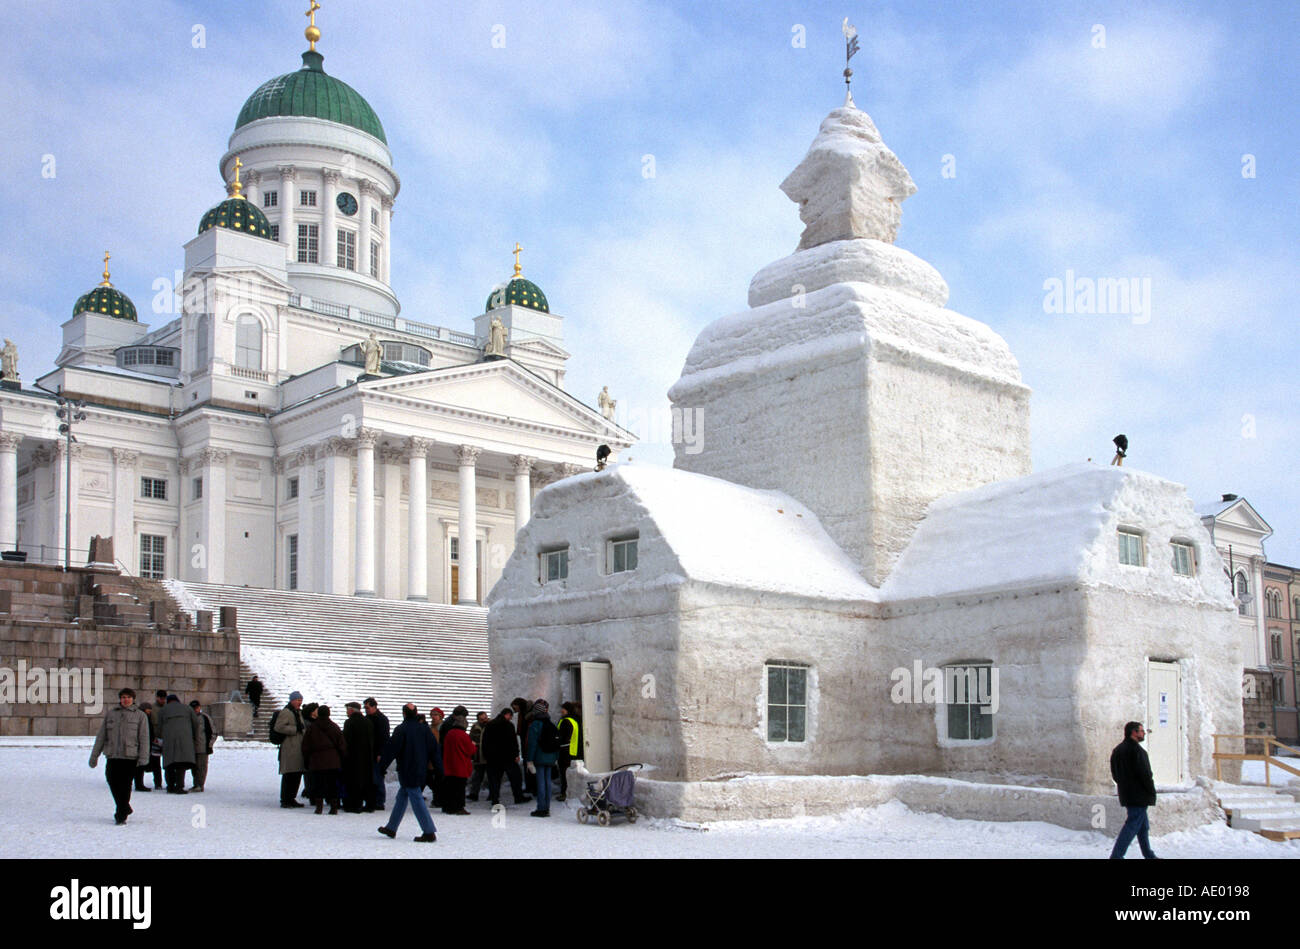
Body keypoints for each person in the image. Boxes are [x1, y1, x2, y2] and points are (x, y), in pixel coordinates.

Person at [378, 703, 441, 842]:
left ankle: (429, 831)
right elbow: (434, 750)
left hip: (407, 769)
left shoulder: (401, 729)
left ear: (404, 714)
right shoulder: (424, 729)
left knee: (416, 798)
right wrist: (439, 768)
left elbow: (391, 750)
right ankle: (391, 827)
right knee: (402, 796)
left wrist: (381, 766)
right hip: (420, 768)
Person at [89, 688, 151, 824]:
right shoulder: (111, 714)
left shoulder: (140, 716)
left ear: (133, 699)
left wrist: (143, 757)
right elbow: (101, 736)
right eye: (123, 697)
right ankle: (125, 806)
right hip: (113, 755)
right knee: (111, 779)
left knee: (125, 785)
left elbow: (144, 738)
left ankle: (121, 814)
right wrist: (94, 756)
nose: (126, 700)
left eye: (128, 697)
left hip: (130, 757)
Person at [1109, 721, 1159, 859]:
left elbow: (1114, 773)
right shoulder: (1138, 751)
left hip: (1126, 793)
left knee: (1143, 827)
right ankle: (1116, 856)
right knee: (1131, 826)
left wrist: (1123, 785)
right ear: (1134, 732)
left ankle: (1148, 854)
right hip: (1140, 795)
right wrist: (1151, 791)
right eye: (1141, 731)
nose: (1143, 733)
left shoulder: (1117, 750)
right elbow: (1146, 774)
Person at [301, 705, 346, 815]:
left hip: (317, 761)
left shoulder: (312, 728)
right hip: (333, 760)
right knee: (332, 784)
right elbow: (341, 744)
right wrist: (342, 758)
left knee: (318, 784)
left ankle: (319, 807)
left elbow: (305, 745)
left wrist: (306, 759)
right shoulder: (334, 727)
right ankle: (334, 807)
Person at [483, 708, 531, 807]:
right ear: (507, 715)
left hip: (493, 758)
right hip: (507, 757)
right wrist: (516, 754)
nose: (511, 718)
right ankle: (518, 797)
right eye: (510, 716)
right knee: (515, 778)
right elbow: (513, 742)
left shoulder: (490, 725)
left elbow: (485, 742)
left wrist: (486, 755)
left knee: (494, 780)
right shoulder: (508, 725)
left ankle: (494, 799)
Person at [160, 694, 202, 794]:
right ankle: (179, 787)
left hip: (169, 740)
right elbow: (196, 723)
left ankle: (170, 786)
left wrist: (162, 737)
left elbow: (158, 726)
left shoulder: (163, 710)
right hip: (185, 740)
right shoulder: (187, 708)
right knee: (181, 764)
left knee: (169, 764)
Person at [273, 691, 307, 808]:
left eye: (300, 700)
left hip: (298, 748)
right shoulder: (286, 712)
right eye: (297, 700)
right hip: (290, 748)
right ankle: (285, 799)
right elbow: (278, 727)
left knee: (296, 774)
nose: (299, 702)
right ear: (291, 700)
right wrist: (295, 729)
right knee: (289, 775)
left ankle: (291, 798)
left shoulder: (298, 712)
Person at [525, 699, 559, 817]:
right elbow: (556, 742)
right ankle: (547, 807)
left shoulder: (535, 724)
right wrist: (555, 757)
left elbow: (532, 743)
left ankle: (541, 808)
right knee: (547, 782)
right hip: (550, 757)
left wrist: (529, 759)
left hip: (540, 756)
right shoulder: (551, 724)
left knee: (540, 783)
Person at [342, 702, 375, 813]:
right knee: (366, 780)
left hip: (353, 757)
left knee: (354, 781)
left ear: (351, 710)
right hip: (367, 756)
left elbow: (346, 740)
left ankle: (355, 805)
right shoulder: (368, 721)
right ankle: (369, 804)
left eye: (347, 709)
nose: (347, 712)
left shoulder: (349, 722)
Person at [440, 714, 476, 815]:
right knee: (459, 789)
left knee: (449, 788)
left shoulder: (449, 733)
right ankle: (459, 807)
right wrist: (473, 745)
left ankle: (448, 807)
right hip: (460, 766)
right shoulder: (464, 735)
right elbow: (470, 750)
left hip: (449, 765)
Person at [365, 698, 390, 812]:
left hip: (377, 753)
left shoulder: (381, 719)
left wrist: (380, 752)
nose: (366, 710)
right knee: (374, 776)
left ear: (374, 707)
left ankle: (379, 801)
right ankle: (375, 799)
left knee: (378, 777)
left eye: (367, 708)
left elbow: (384, 737)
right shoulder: (370, 718)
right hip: (371, 752)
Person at [556, 702, 582, 802]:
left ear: (567, 710)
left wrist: (556, 740)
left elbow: (561, 737)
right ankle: (572, 792)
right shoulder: (575, 720)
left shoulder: (565, 721)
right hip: (574, 750)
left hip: (565, 751)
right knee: (570, 773)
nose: (561, 711)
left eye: (563, 709)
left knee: (564, 774)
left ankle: (564, 793)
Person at [189, 700, 216, 791]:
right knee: (194, 768)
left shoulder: (205, 718)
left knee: (201, 767)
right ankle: (196, 784)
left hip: (202, 747)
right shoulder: (188, 718)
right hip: (192, 747)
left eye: (196, 708)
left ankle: (199, 785)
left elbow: (213, 732)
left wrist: (209, 745)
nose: (195, 710)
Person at [135, 702, 162, 792]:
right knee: (143, 765)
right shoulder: (144, 718)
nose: (150, 711)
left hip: (149, 744)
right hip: (145, 745)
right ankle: (141, 784)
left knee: (145, 765)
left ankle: (141, 784)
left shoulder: (145, 717)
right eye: (148, 710)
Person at [468, 711, 489, 801]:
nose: (484, 720)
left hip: (488, 756)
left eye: (485, 718)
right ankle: (474, 793)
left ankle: (493, 794)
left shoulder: (491, 725)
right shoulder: (475, 727)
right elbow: (470, 738)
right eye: (482, 719)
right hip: (478, 756)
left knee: (491, 777)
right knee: (477, 776)